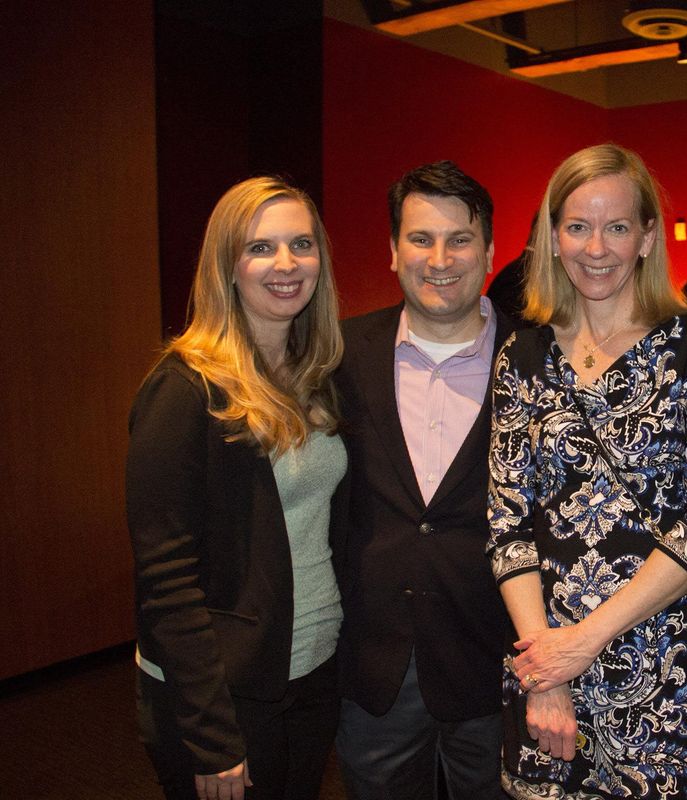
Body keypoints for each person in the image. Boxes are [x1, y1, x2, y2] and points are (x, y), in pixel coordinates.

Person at [487, 143, 687, 800]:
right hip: (543, 666)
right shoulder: (522, 354)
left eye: (617, 226)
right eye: (577, 226)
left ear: (648, 237)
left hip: (665, 667)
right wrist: (547, 668)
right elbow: (508, 521)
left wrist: (584, 642)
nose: (596, 248)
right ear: (553, 237)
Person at [127, 176, 346, 800]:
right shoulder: (183, 390)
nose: (286, 264)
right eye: (260, 248)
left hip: (312, 669)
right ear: (226, 265)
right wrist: (211, 734)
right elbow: (166, 579)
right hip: (225, 692)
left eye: (301, 244)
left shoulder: (316, 375)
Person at [333, 161, 514, 800]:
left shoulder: (540, 358)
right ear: (392, 251)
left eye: (460, 239)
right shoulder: (339, 355)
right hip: (376, 668)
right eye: (420, 239)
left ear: (489, 251)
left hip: (501, 665)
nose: (440, 259)